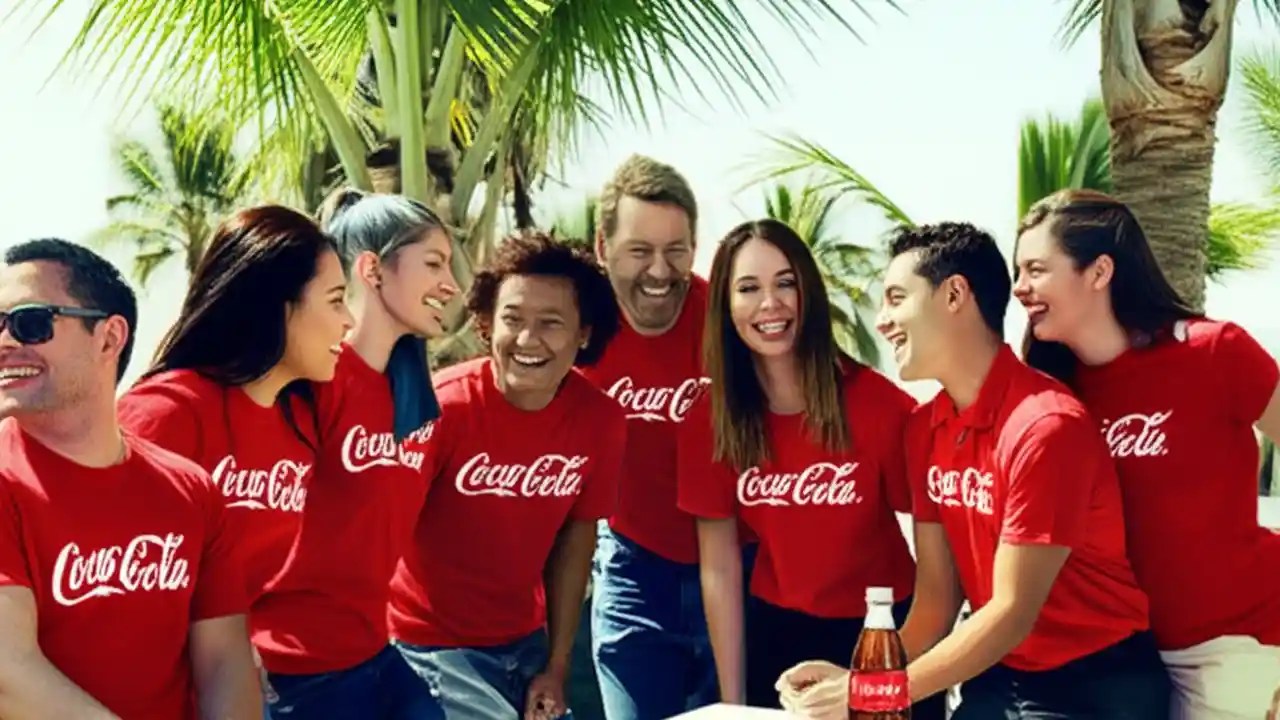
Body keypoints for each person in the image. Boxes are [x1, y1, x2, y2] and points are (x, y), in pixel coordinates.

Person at [778, 222, 1171, 718]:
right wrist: (861, 679)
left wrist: (874, 695)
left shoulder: (1046, 425)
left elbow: (1011, 612)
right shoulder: (924, 429)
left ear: (955, 294)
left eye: (897, 298)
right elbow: (937, 605)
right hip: (1001, 675)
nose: (882, 321)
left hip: (1094, 685)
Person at [1013, 188, 1280, 718]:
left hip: (1229, 644)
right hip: (1120, 659)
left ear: (1099, 271)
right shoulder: (1049, 395)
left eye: (1036, 269)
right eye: (1018, 272)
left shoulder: (1211, 351)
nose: (1020, 288)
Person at [676, 219, 945, 718]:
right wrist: (734, 702)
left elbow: (939, 546)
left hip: (881, 631)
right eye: (748, 288)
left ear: (809, 293)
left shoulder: (879, 407)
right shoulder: (709, 420)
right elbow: (718, 567)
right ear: (725, 306)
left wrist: (902, 662)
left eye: (785, 283)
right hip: (776, 636)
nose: (769, 304)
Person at [0, 239, 260, 719]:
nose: (5, 342)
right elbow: (8, 675)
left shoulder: (191, 490)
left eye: (28, 322)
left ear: (108, 338)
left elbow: (225, 659)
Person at [389, 231, 626, 720]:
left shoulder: (600, 420)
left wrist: (557, 666)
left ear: (584, 333)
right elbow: (375, 533)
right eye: (512, 319)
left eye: (551, 323)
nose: (527, 340)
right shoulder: (438, 409)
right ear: (484, 324)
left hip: (526, 647)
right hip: (428, 649)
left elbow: (578, 537)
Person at [248, 190, 455, 718]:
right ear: (372, 269)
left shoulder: (416, 398)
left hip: (375, 655)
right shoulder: (313, 383)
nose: (450, 286)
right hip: (293, 673)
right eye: (434, 264)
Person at [118, 205, 354, 604]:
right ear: (277, 308)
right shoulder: (164, 414)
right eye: (335, 301)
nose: (349, 319)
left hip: (242, 657)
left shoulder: (299, 416)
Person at [579, 154, 721, 720]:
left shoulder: (730, 320)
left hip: (741, 562)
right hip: (632, 566)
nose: (660, 271)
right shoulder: (573, 328)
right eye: (639, 251)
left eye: (676, 250)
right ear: (601, 246)